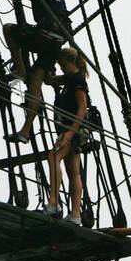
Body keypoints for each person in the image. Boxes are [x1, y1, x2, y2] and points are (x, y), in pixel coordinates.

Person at [0, 0, 73, 144]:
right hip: (57, 41)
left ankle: (20, 69)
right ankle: (25, 132)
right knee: (35, 87)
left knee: (8, 29)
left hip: (42, 37)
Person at [44, 47, 91, 223]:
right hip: (70, 130)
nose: (62, 68)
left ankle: (54, 203)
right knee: (73, 171)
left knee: (54, 156)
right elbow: (50, 80)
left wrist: (71, 132)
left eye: (63, 65)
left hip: (72, 130)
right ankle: (75, 214)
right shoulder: (69, 79)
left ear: (72, 62)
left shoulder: (78, 81)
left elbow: (82, 107)